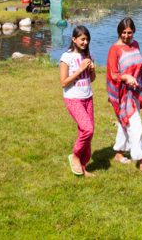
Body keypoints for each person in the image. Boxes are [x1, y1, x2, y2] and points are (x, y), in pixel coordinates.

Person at [106, 17, 142, 173]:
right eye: (123, 32)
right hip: (122, 94)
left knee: (126, 122)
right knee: (135, 125)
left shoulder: (135, 45)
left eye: (129, 32)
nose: (126, 36)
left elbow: (136, 65)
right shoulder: (114, 49)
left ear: (134, 32)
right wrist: (126, 77)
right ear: (119, 32)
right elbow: (114, 74)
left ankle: (119, 153)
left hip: (135, 90)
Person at [59, 25, 96, 177]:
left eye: (87, 39)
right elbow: (63, 82)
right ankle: (74, 155)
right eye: (82, 39)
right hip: (73, 99)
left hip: (88, 97)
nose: (85, 42)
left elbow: (91, 79)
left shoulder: (87, 55)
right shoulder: (66, 57)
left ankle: (82, 166)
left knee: (87, 133)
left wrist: (92, 69)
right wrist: (80, 69)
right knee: (88, 129)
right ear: (74, 39)